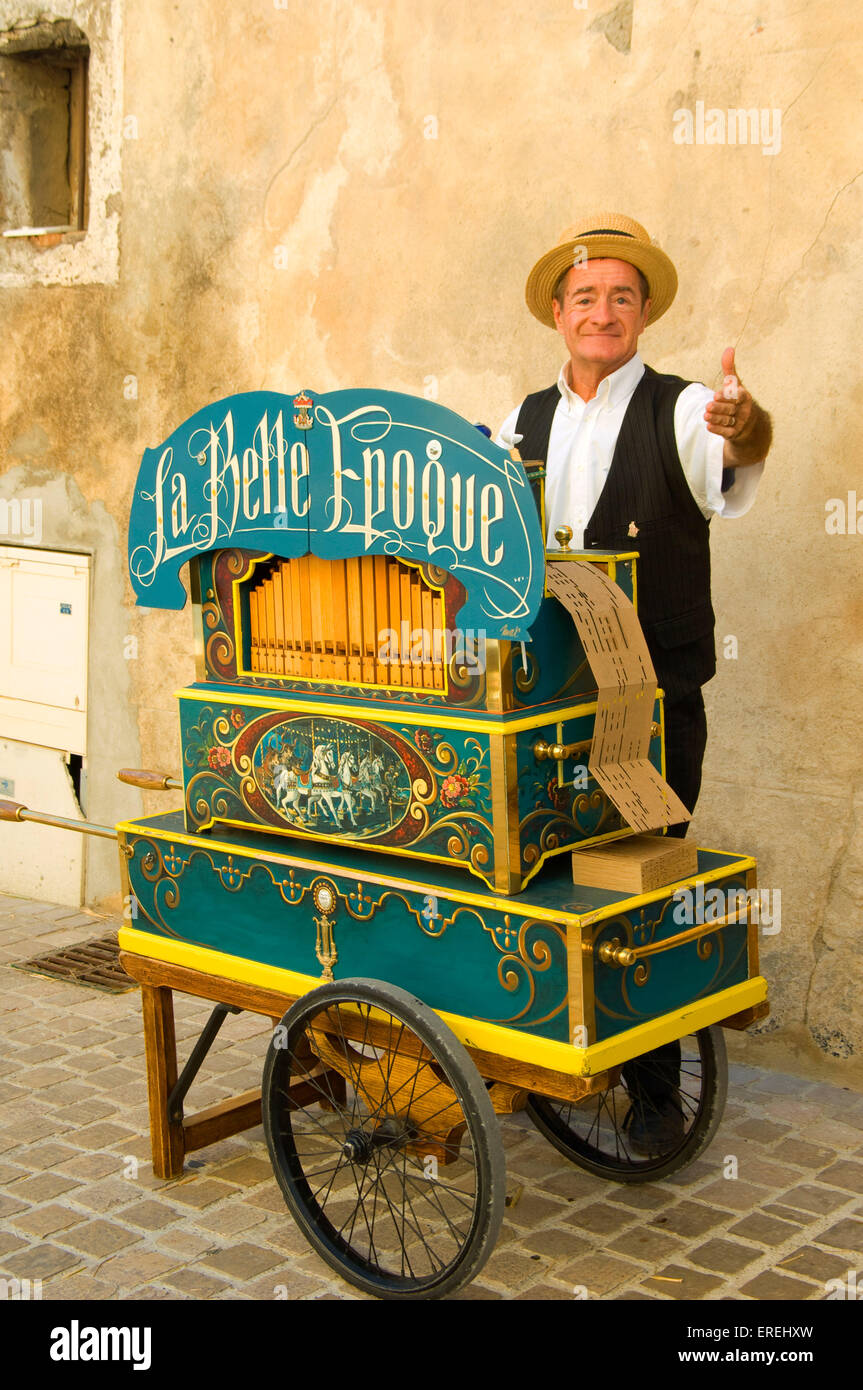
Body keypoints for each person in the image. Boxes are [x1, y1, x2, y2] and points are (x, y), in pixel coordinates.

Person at [497, 212, 773, 1154]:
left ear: (643, 311)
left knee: (638, 888)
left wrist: (746, 422)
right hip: (543, 703)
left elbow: (737, 447)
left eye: (620, 296)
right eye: (585, 297)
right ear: (557, 313)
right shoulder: (521, 420)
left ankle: (653, 1090)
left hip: (648, 706)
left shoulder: (688, 405)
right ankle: (543, 1046)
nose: (601, 312)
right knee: (538, 873)